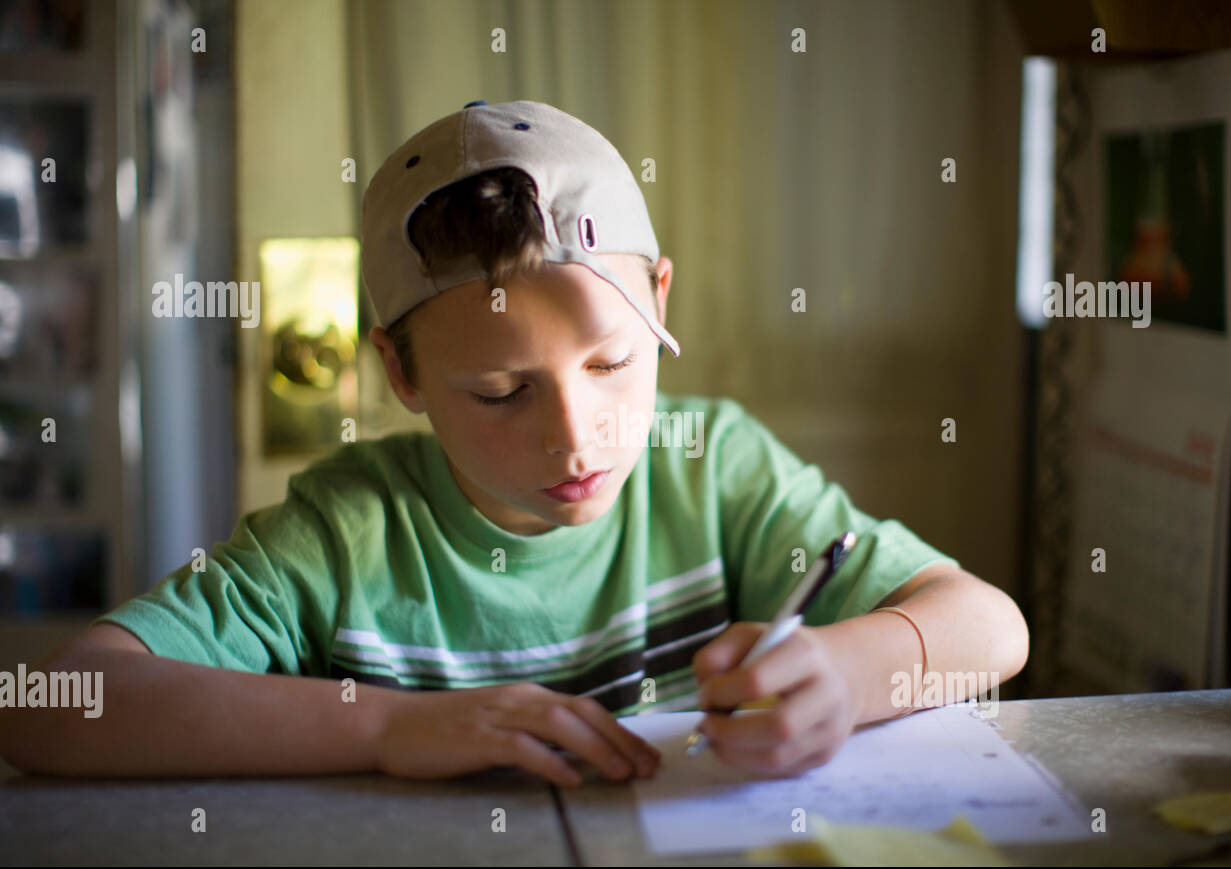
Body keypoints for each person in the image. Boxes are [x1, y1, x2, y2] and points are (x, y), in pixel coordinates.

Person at [0, 100, 1027, 787]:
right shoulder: (348, 533)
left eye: (616, 363)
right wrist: (387, 725)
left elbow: (992, 628)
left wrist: (844, 674)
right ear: (398, 374)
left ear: (660, 299)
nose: (577, 434)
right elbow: (47, 703)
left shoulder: (714, 465)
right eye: (499, 391)